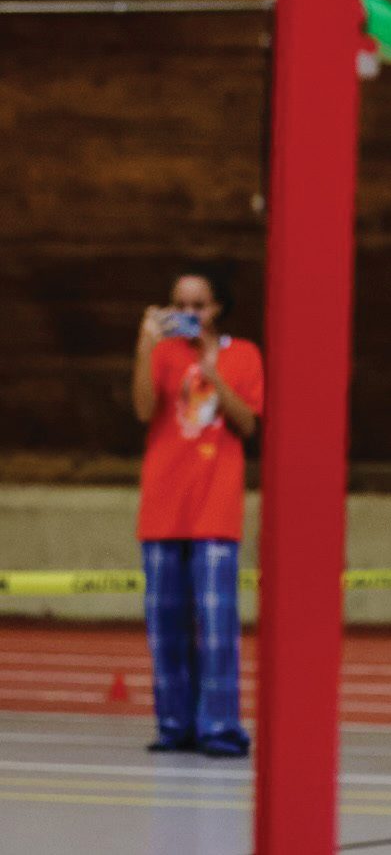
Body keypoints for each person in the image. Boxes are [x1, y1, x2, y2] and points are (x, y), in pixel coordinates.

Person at [131, 267, 263, 756]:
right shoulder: (163, 353)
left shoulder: (244, 354)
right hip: (163, 507)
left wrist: (213, 372)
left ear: (219, 307)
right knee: (165, 625)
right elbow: (145, 410)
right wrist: (145, 346)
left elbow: (247, 423)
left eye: (199, 305)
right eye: (179, 305)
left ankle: (220, 726)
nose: (189, 315)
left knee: (216, 628)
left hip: (215, 508)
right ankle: (174, 724)